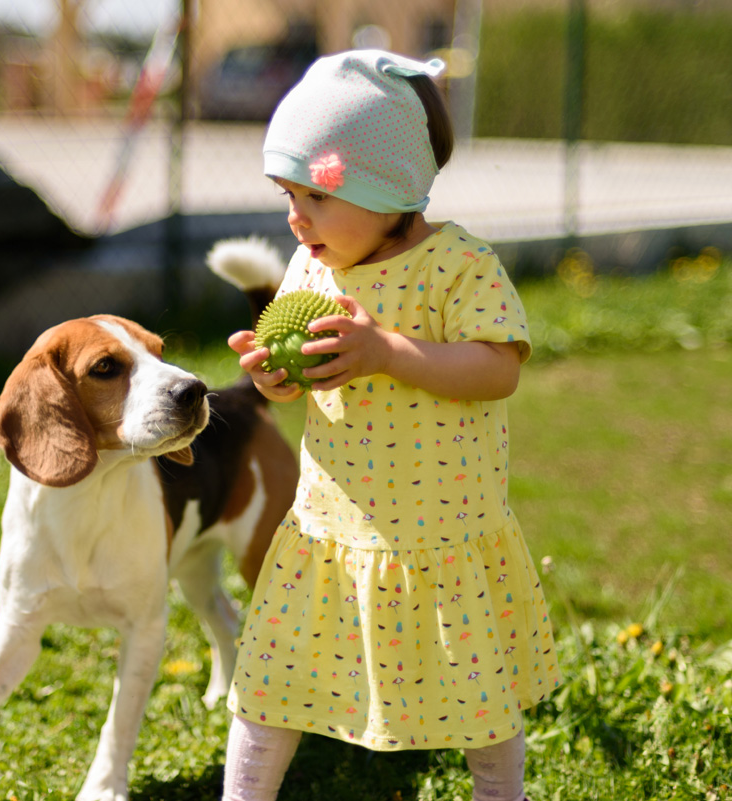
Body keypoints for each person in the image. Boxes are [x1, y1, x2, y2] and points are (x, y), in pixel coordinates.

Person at [221, 50, 562, 801]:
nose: (294, 216)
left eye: (315, 194)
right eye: (287, 193)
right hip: (328, 531)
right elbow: (308, 387)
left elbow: (497, 368)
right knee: (267, 682)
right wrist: (276, 379)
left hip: (440, 531)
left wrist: (384, 350)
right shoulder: (312, 266)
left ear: (392, 189)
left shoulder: (458, 266)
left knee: (481, 699)